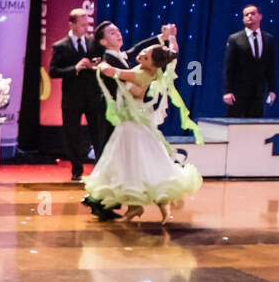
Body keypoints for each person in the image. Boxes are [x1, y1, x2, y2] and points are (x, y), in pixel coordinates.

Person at [85, 42, 202, 224]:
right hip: (128, 123)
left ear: (153, 65)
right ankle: (135, 207)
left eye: (146, 57)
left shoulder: (141, 74)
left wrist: (101, 65)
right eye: (143, 52)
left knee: (137, 165)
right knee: (131, 166)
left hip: (134, 125)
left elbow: (112, 72)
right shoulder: (144, 69)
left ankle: (157, 203)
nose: (141, 56)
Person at [49, 8, 106, 181]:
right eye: (82, 25)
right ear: (72, 24)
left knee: (97, 132)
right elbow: (53, 71)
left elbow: (103, 62)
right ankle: (76, 167)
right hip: (72, 97)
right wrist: (75, 68)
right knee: (72, 133)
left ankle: (101, 166)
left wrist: (95, 64)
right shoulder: (60, 46)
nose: (85, 28)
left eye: (87, 24)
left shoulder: (93, 43)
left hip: (93, 96)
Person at [222, 4, 276, 118]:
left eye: (253, 13)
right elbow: (229, 68)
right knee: (235, 124)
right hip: (238, 93)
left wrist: (272, 89)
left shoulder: (268, 39)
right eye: (246, 15)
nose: (249, 16)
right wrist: (227, 91)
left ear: (260, 16)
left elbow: (270, 67)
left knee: (254, 125)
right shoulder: (235, 39)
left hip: (258, 92)